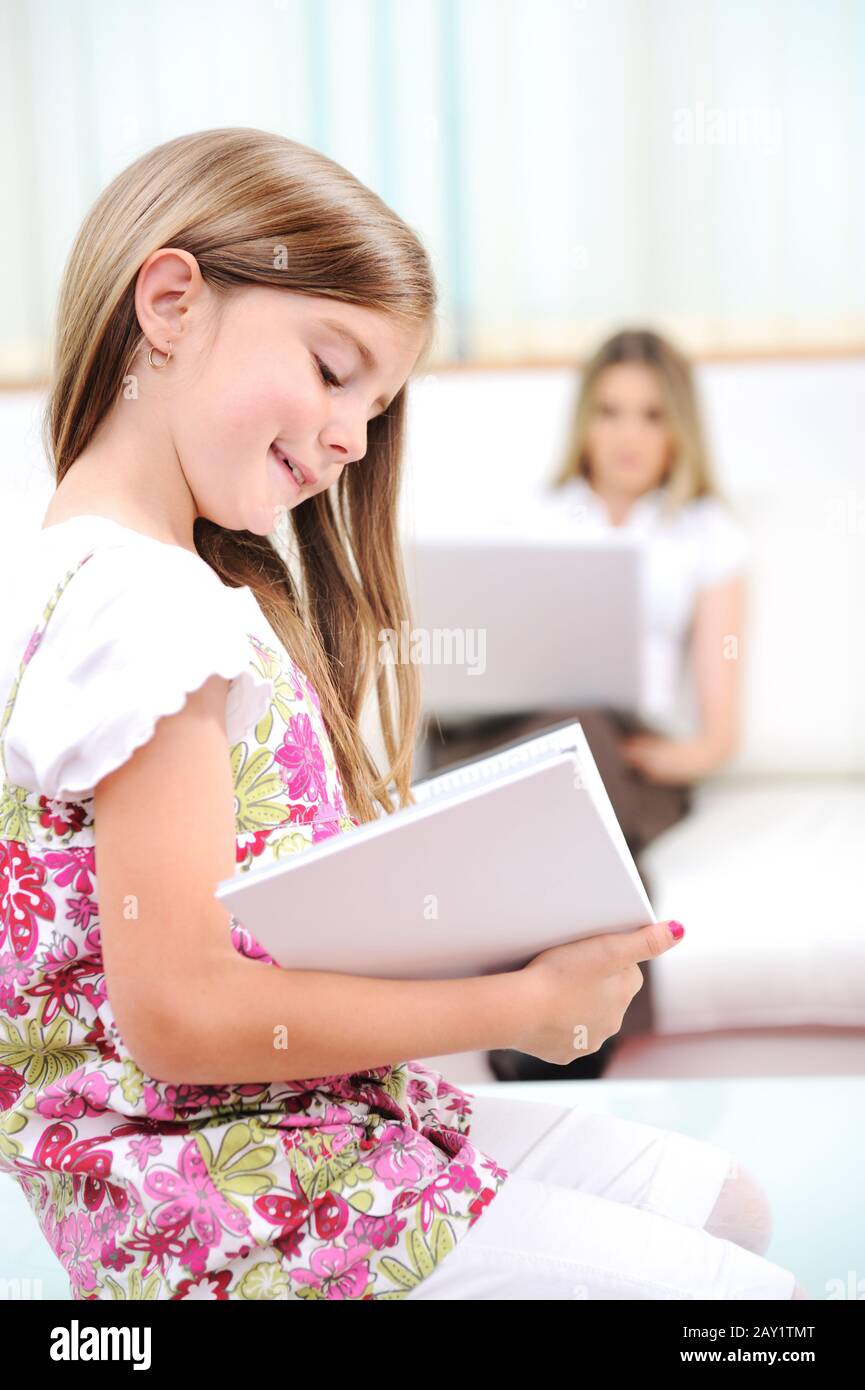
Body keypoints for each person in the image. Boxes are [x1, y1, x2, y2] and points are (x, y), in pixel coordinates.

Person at [0, 130, 805, 1300]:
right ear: (170, 303)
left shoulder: (126, 576)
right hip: (230, 1207)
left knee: (729, 1207)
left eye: (377, 405)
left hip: (305, 1136)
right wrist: (517, 1004)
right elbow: (175, 1011)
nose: (353, 438)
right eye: (334, 371)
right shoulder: (142, 604)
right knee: (757, 1312)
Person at [424, 328, 749, 1083]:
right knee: (564, 752)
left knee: (586, 751)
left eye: (650, 415)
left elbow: (716, 738)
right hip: (522, 738)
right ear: (584, 423)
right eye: (609, 412)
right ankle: (564, 1034)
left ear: (679, 428)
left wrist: (666, 755)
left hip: (627, 761)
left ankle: (547, 1045)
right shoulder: (537, 519)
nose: (627, 436)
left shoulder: (708, 538)